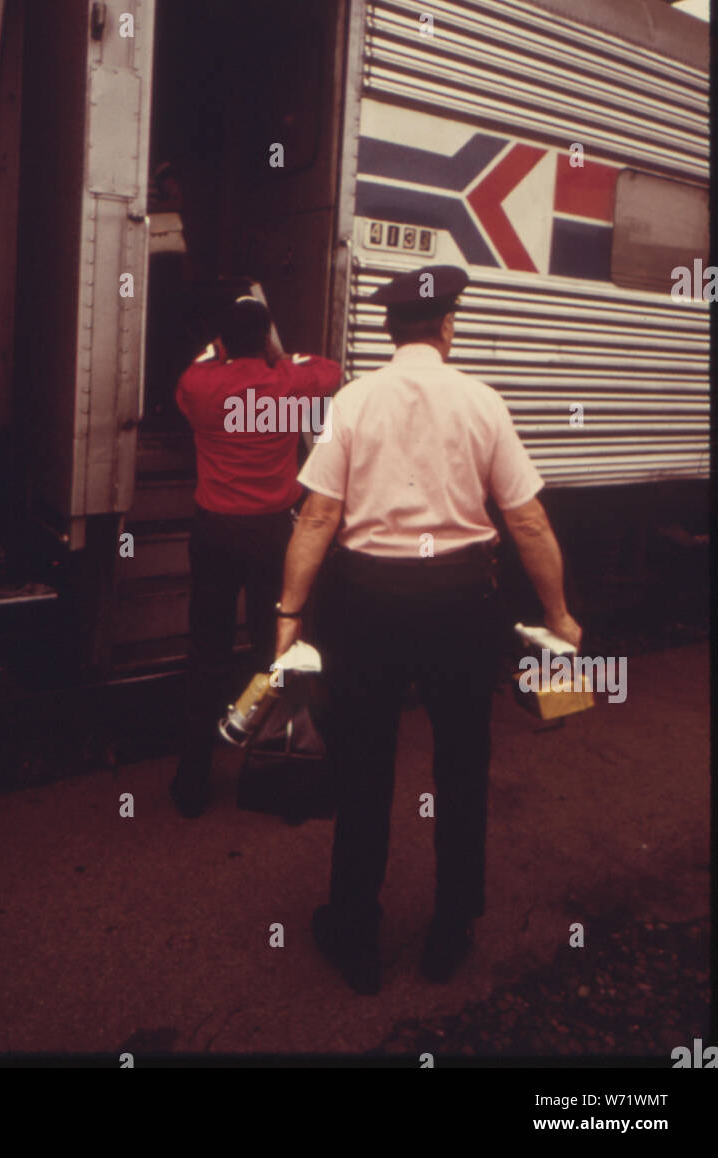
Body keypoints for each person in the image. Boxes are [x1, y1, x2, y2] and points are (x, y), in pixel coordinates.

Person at [273, 264, 582, 994]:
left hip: (366, 605)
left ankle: (355, 938)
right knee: (461, 766)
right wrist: (557, 614)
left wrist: (288, 615)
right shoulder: (481, 401)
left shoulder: (353, 400)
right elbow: (526, 518)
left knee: (364, 770)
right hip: (458, 603)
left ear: (390, 329)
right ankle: (451, 930)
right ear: (447, 325)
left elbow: (317, 515)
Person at [171, 295, 342, 817]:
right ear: (266, 339)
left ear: (221, 341)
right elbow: (332, 371)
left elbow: (194, 369)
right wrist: (279, 357)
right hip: (273, 538)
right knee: (274, 652)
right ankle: (273, 767)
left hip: (216, 534)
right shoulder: (291, 382)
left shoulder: (199, 386)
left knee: (207, 654)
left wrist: (219, 352)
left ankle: (192, 783)